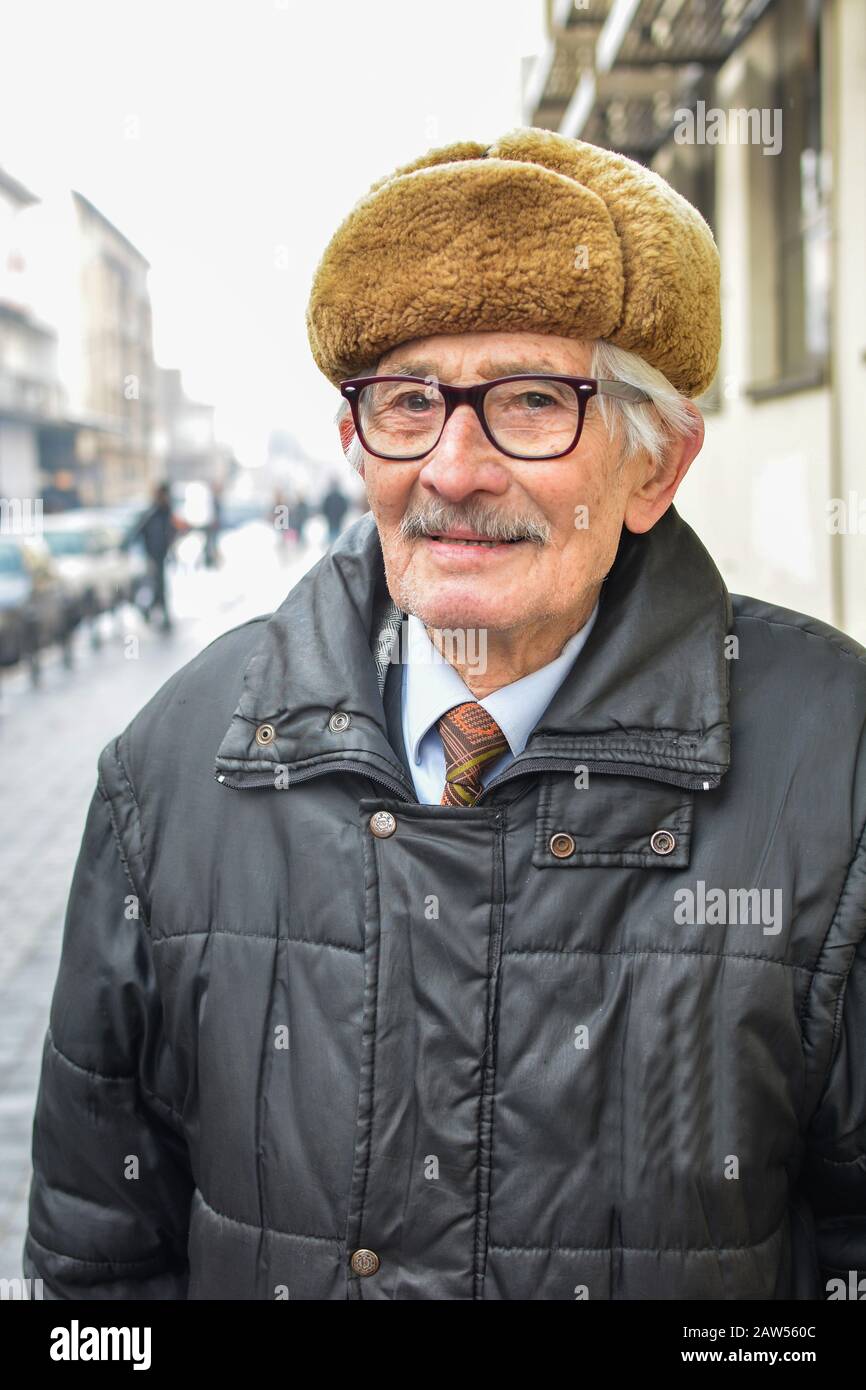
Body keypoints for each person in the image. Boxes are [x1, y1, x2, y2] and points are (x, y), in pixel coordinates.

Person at [23, 129, 866, 1301]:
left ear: (654, 467)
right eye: (409, 403)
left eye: (529, 400)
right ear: (353, 445)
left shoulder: (835, 770)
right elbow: (98, 1275)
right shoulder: (172, 761)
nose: (454, 468)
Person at [122, 481, 182, 630]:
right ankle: (159, 614)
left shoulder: (166, 511)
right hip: (153, 557)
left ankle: (150, 611)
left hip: (161, 555)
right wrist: (125, 548)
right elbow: (136, 532)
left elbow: (170, 532)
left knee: (159, 587)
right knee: (158, 586)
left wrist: (171, 548)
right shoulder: (152, 513)